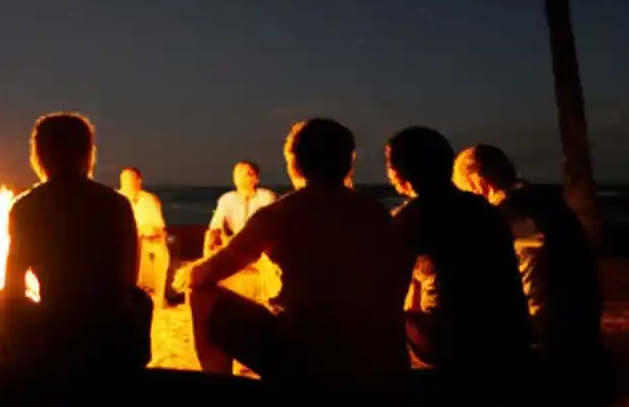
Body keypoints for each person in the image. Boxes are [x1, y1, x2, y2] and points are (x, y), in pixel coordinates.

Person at [175, 119, 413, 382]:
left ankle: (222, 396)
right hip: (380, 357)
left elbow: (208, 273)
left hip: (305, 357)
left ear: (294, 163)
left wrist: (189, 272)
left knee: (201, 293)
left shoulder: (281, 214)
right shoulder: (381, 216)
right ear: (348, 163)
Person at [453, 144, 615, 407]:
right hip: (581, 317)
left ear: (479, 181)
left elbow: (505, 270)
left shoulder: (509, 212)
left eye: (465, 187)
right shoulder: (548, 203)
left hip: (546, 325)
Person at [0, 113, 153, 407]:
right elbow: (126, 281)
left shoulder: (28, 207)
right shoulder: (117, 204)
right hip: (114, 346)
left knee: (3, 301)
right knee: (139, 300)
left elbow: (14, 284)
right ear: (89, 154)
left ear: (39, 156)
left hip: (56, 342)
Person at [385, 127, 532, 370]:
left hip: (455, 343)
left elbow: (388, 289)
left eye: (390, 165)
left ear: (399, 171)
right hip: (510, 335)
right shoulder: (484, 210)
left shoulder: (413, 217)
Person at [118, 166, 170, 305]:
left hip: (147, 241)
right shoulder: (117, 199)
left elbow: (158, 228)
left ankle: (153, 297)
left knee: (153, 251)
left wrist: (144, 232)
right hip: (122, 242)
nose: (128, 183)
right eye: (124, 180)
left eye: (131, 179)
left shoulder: (148, 200)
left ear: (138, 181)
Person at [205, 160, 277, 255]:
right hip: (235, 245)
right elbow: (215, 226)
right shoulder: (227, 199)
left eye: (248, 173)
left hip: (261, 247)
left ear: (256, 178)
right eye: (239, 172)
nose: (242, 176)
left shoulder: (266, 197)